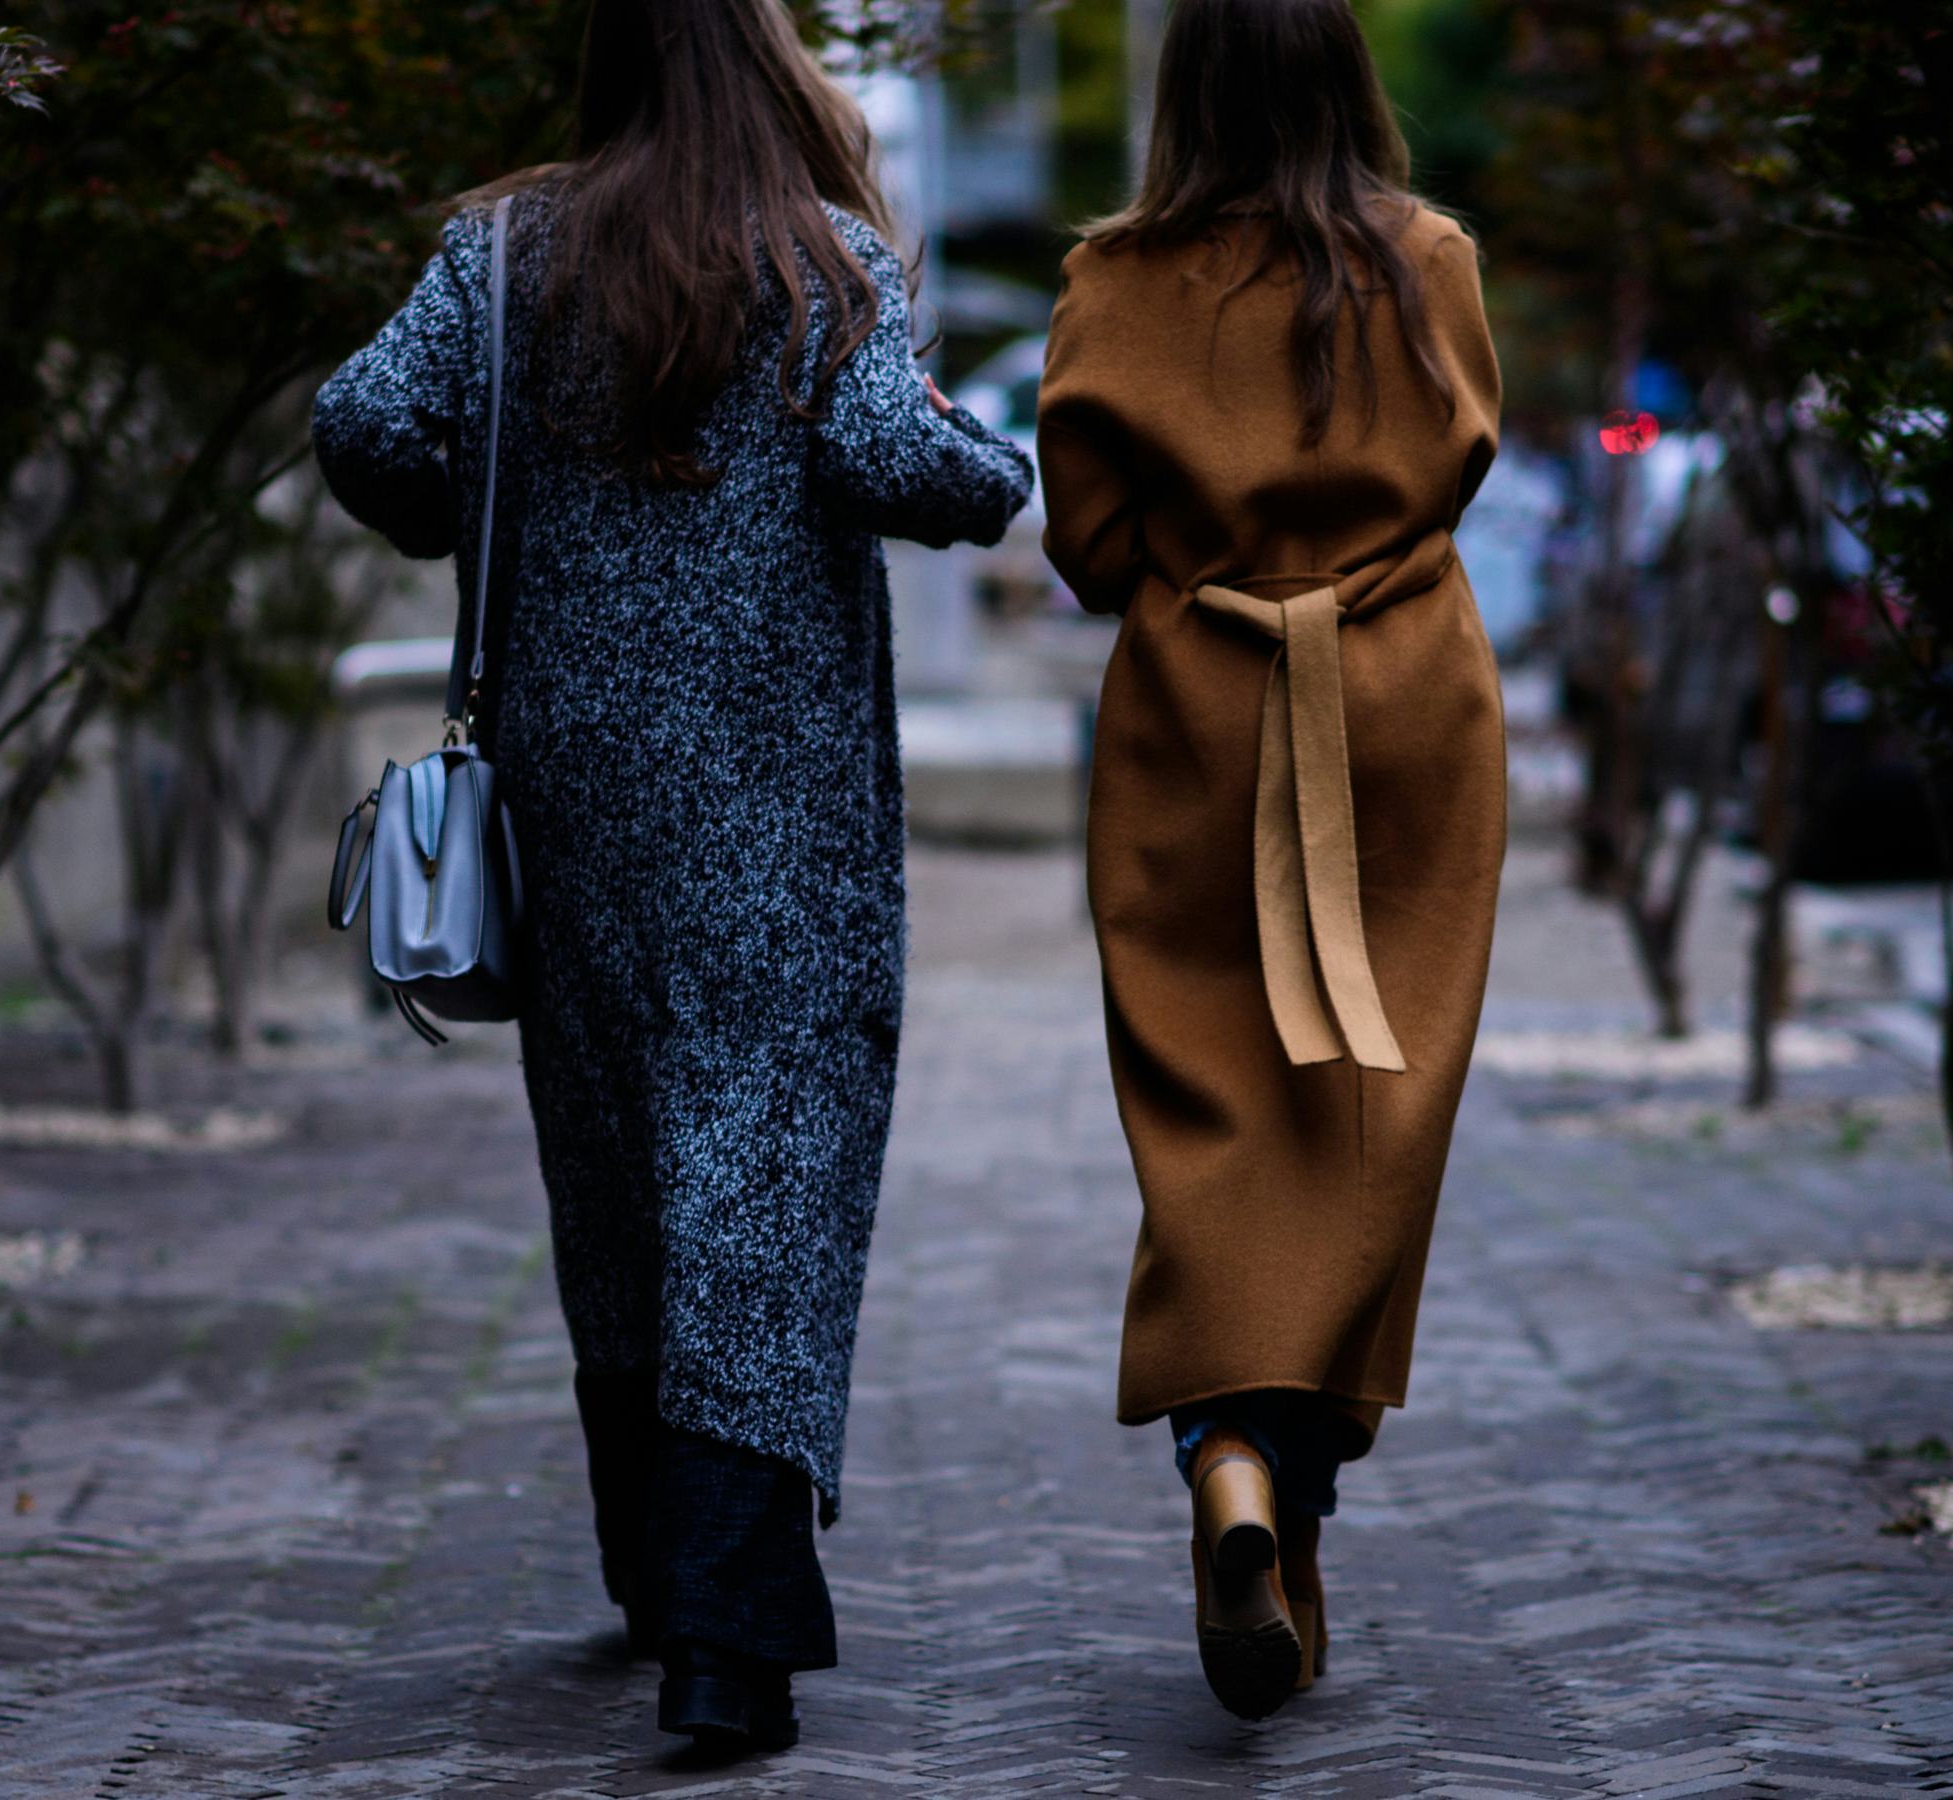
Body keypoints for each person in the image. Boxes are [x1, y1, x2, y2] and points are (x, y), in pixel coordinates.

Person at [310, 0, 1034, 1755]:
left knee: (618, 1166)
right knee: (758, 1190)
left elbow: (360, 426)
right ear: (767, 67)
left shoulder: (504, 251)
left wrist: (491, 512)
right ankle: (728, 1644)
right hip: (775, 815)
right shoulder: (821, 258)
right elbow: (891, 464)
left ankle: (655, 1575)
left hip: (572, 795)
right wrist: (997, 467)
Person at [1037, 0, 1504, 1722]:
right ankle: (1268, 1487)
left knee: (1214, 1120)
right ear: (1345, 74)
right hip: (1405, 720)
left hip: (1196, 721)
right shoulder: (1431, 257)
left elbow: (1086, 543)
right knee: (1371, 1113)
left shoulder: (1112, 279)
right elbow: (1463, 468)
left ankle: (1231, 1462)